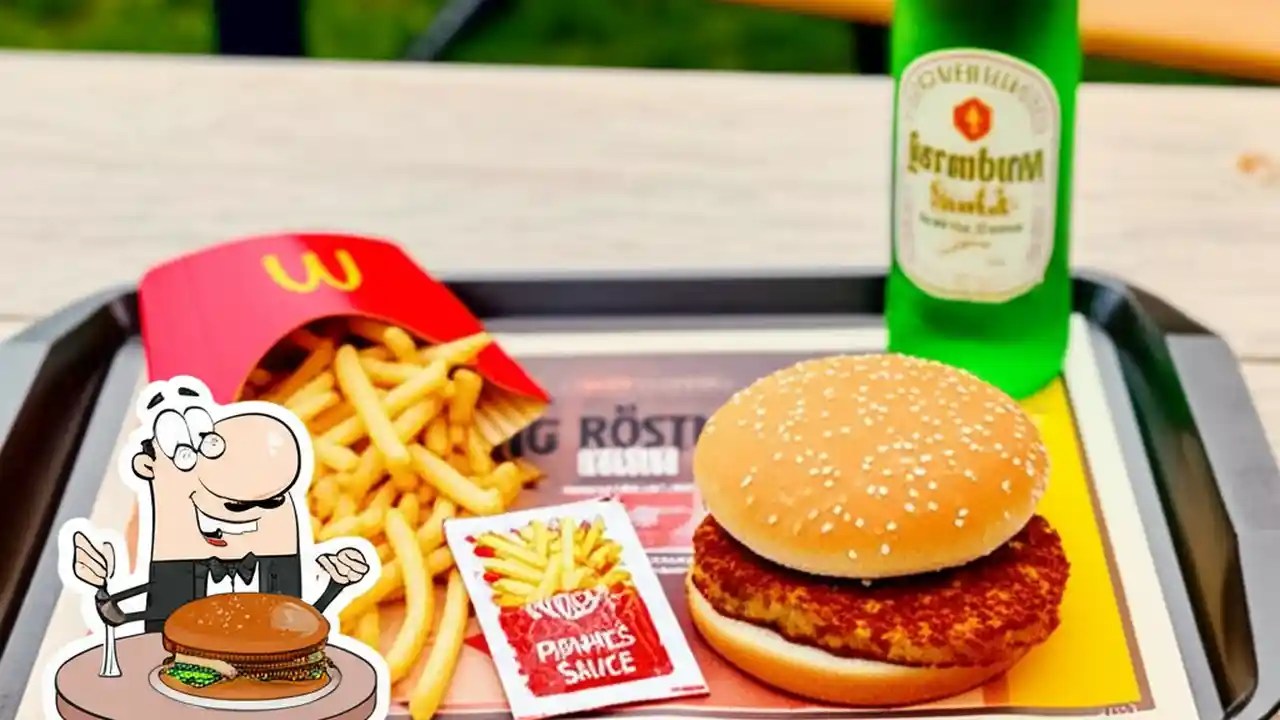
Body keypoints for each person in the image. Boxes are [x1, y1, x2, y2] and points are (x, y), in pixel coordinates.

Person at [68, 379, 369, 633]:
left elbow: (297, 621)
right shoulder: (176, 558)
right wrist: (103, 591)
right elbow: (131, 615)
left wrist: (334, 585)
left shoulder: (277, 553)